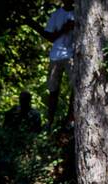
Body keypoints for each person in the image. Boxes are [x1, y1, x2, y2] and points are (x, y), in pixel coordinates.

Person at [33, 2, 75, 130]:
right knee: (53, 90)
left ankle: (71, 119)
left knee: (77, 88)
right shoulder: (56, 14)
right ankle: (50, 122)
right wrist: (64, 29)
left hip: (72, 55)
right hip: (55, 56)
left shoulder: (79, 13)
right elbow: (49, 36)